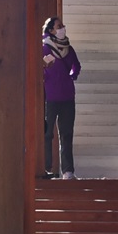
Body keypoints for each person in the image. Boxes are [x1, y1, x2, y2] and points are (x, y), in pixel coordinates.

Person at [41, 16, 80, 179]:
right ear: (51, 30)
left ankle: (68, 170)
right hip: (50, 96)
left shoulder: (69, 49)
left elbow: (76, 65)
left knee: (67, 133)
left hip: (67, 96)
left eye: (62, 25)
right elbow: (39, 69)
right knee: (47, 133)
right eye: (59, 26)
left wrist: (72, 75)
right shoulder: (44, 48)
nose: (63, 28)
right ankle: (46, 166)